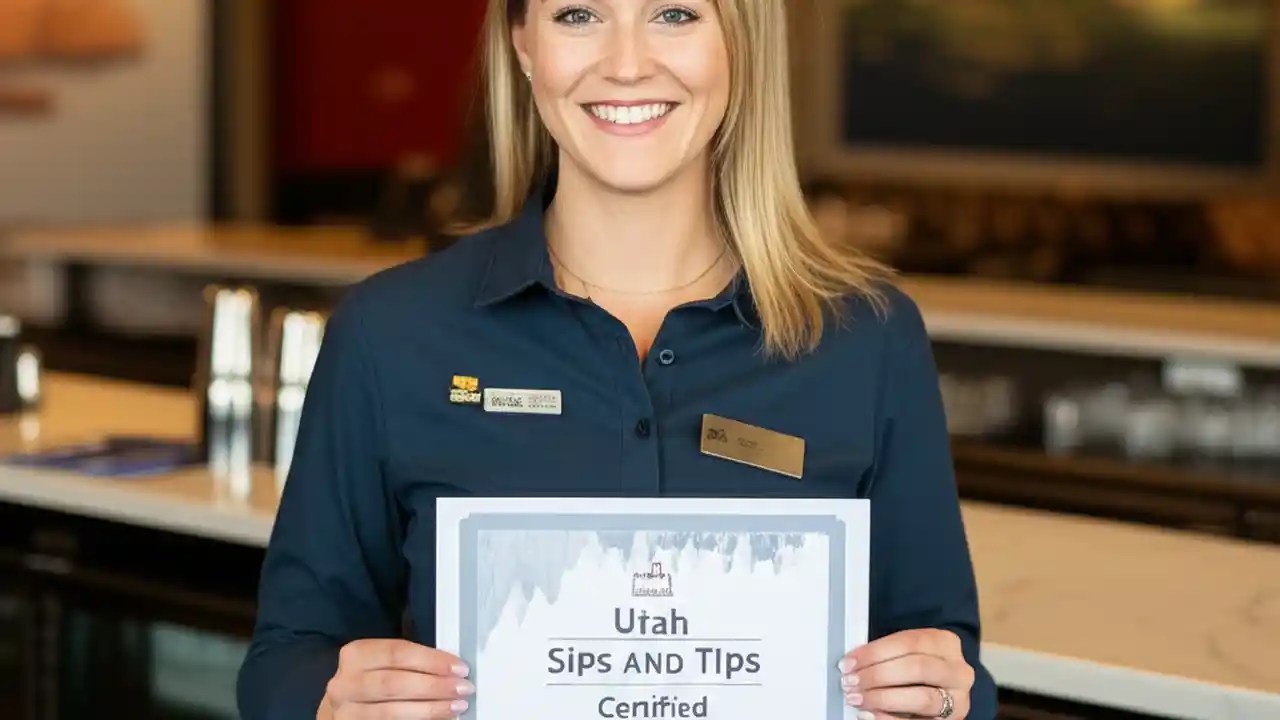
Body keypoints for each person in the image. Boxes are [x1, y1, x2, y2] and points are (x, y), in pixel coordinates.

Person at [237, 1, 998, 718]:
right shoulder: (390, 333)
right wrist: (328, 700)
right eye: (579, 14)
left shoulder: (868, 339)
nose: (627, 64)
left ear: (742, 41)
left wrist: (940, 696)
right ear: (523, 42)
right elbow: (286, 658)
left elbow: (953, 669)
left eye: (674, 14)